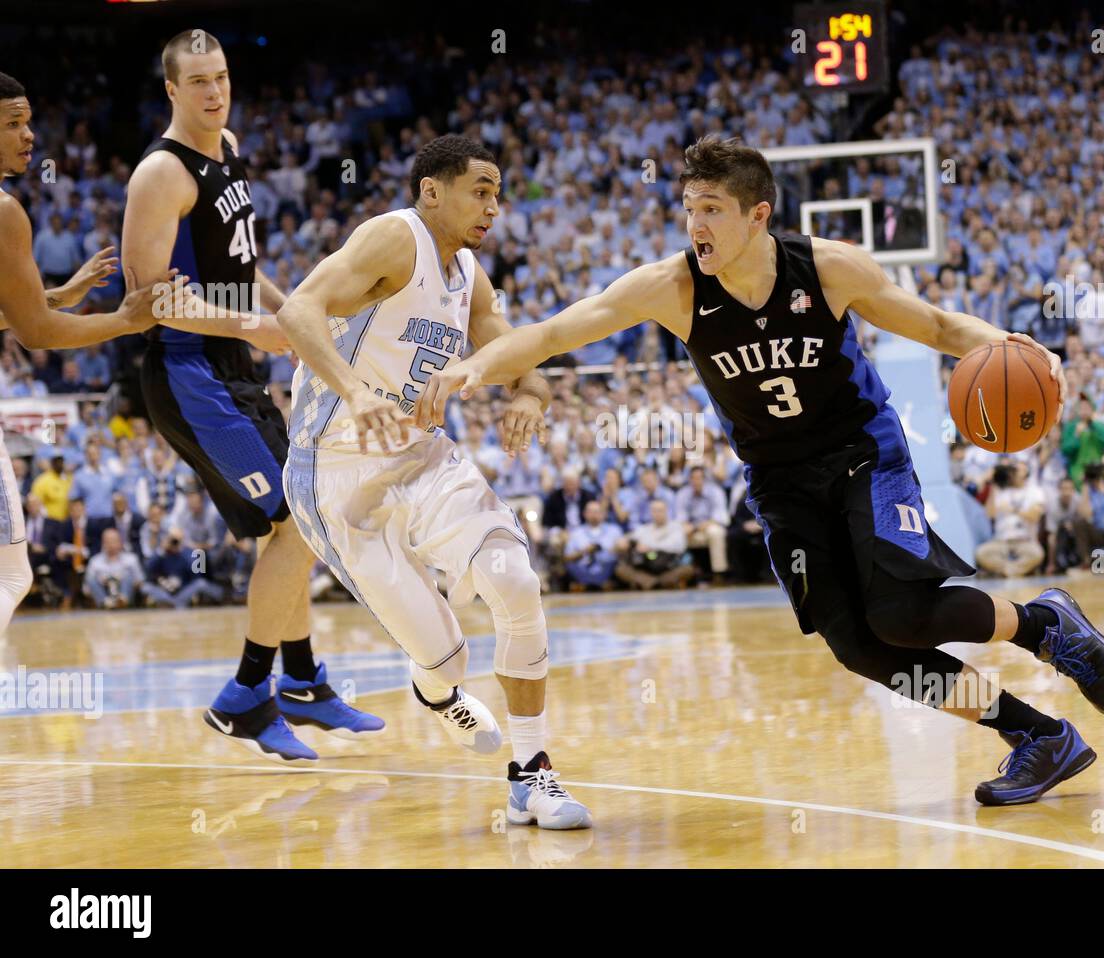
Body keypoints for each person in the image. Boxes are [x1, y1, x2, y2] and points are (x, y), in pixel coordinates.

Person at [425, 135, 1104, 806]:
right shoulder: (670, 287)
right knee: (859, 647)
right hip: (779, 480)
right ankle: (1038, 735)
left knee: (901, 616)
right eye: (688, 208)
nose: (695, 225)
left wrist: (1015, 348)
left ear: (758, 215)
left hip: (864, 455)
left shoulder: (827, 269)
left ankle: (1045, 625)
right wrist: (476, 367)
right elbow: (551, 334)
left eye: (712, 211)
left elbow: (942, 328)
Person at [276, 134, 590, 828]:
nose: (494, 207)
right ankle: (435, 689)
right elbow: (297, 310)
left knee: (515, 578)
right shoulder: (395, 237)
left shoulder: (468, 272)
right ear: (430, 191)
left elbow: (513, 343)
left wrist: (531, 394)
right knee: (446, 659)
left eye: (498, 193)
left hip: (423, 457)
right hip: (336, 470)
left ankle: (531, 776)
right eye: (480, 190)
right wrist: (356, 392)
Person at [121, 31, 380, 762]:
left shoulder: (226, 144)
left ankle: (300, 682)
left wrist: (285, 315)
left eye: (222, 77)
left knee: (298, 520)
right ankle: (246, 694)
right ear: (171, 89)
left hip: (234, 360)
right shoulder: (160, 175)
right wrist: (252, 326)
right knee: (298, 519)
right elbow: (149, 300)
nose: (214, 92)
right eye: (198, 81)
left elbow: (241, 263)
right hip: (188, 371)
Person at [0, 71, 165, 634]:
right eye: (13, 123)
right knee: (10, 578)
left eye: (28, 122)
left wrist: (61, 295)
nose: (29, 137)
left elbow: (21, 314)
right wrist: (123, 319)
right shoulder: (4, 211)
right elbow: (37, 335)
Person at [975, 460, 1045, 577]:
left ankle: (1005, 571)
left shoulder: (1035, 491)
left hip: (1024, 541)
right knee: (981, 553)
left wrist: (1014, 510)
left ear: (1026, 473)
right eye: (1012, 469)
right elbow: (990, 514)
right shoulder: (1000, 490)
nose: (1013, 472)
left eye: (1017, 469)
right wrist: (993, 484)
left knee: (1038, 554)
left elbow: (1035, 516)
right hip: (1001, 541)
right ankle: (1012, 571)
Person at [615, 499, 696, 589]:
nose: (657, 514)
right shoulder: (644, 529)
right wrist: (623, 541)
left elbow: (677, 546)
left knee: (688, 569)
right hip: (647, 566)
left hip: (668, 565)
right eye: (654, 511)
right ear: (651, 513)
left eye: (660, 510)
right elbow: (629, 538)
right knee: (621, 569)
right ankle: (653, 582)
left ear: (666, 511)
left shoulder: (676, 527)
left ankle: (653, 583)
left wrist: (650, 546)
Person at [83, 528, 144, 609]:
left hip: (125, 591)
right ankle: (106, 602)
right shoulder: (94, 561)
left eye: (113, 541)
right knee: (91, 579)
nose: (111, 544)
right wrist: (102, 582)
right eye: (107, 541)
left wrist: (121, 580)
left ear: (120, 542)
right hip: (104, 592)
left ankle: (122, 600)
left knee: (128, 575)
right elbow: (86, 589)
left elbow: (140, 581)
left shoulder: (131, 559)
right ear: (102, 543)